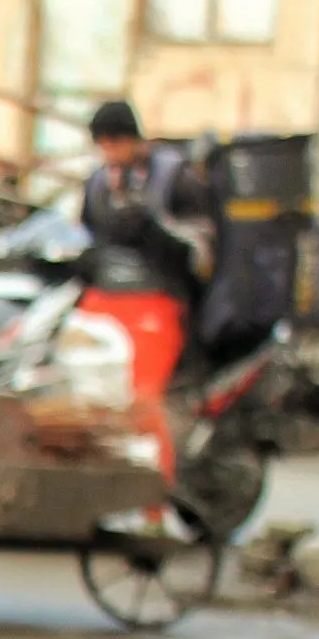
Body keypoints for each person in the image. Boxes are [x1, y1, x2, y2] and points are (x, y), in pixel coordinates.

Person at [78, 99, 214, 471]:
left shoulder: (175, 177)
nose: (108, 152)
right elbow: (88, 234)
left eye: (114, 142)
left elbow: (201, 246)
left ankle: (152, 495)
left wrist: (158, 229)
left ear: (133, 139)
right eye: (102, 145)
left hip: (157, 300)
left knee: (143, 399)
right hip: (105, 299)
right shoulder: (97, 183)